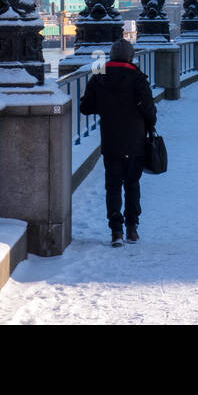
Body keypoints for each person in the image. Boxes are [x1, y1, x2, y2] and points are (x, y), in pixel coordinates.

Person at [79, 37, 157, 247]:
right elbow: (149, 111)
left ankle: (116, 232)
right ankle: (132, 228)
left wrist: (106, 106)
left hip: (111, 140)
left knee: (113, 186)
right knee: (132, 183)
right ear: (130, 56)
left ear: (111, 56)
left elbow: (85, 107)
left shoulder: (99, 77)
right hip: (135, 140)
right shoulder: (138, 77)